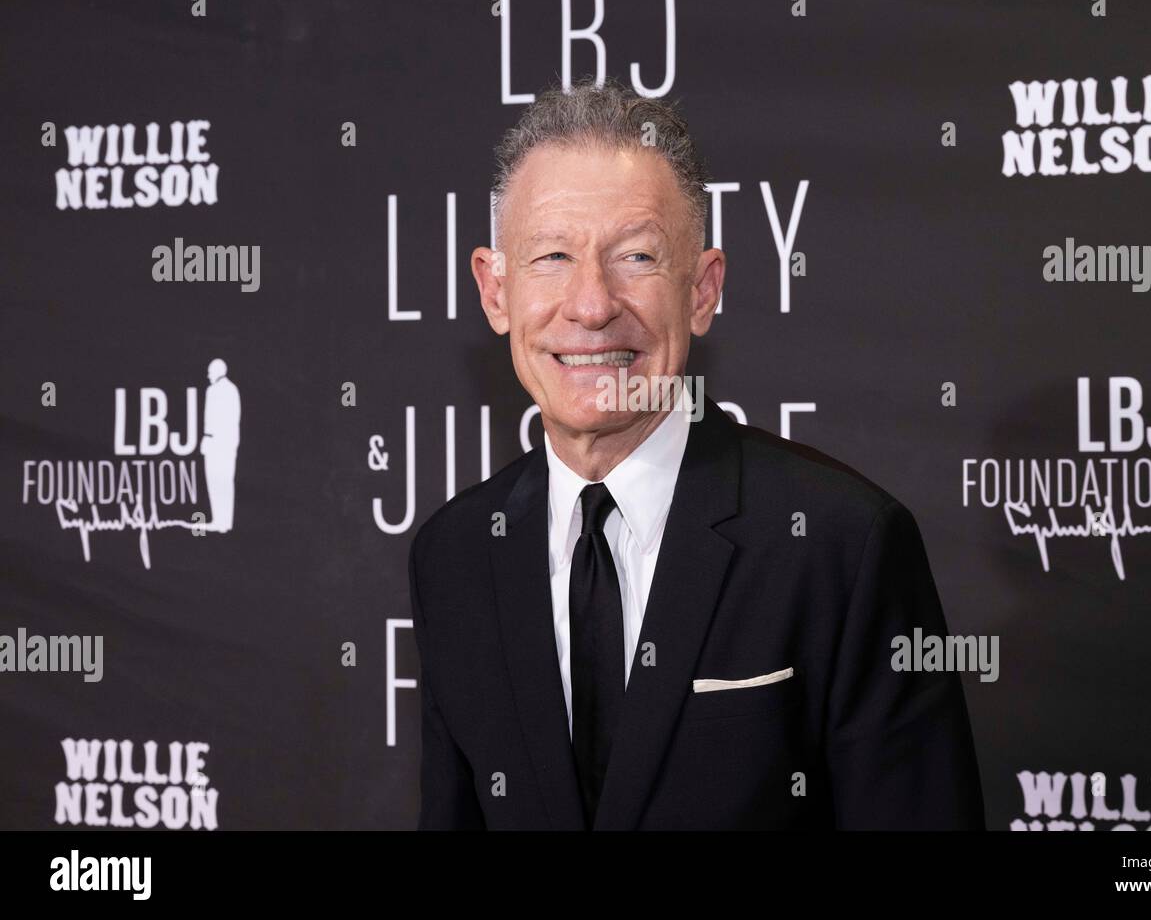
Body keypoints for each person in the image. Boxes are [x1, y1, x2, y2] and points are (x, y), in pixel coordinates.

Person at [408, 79, 984, 829]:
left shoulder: (842, 545)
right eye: (551, 255)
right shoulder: (453, 558)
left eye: (637, 255)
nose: (591, 304)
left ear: (702, 290)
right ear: (495, 291)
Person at [200, 358, 240, 533]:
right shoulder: (233, 389)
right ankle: (225, 522)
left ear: (217, 371)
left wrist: (207, 438)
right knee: (226, 482)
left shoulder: (213, 391)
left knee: (215, 480)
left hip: (216, 443)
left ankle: (218, 520)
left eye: (210, 371)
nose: (208, 374)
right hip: (229, 444)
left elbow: (211, 420)